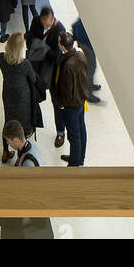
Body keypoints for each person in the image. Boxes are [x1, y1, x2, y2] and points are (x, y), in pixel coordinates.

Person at [27, 6, 67, 135]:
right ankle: (32, 124)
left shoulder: (60, 30)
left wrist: (42, 48)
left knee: (55, 101)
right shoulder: (36, 20)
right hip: (35, 65)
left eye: (47, 20)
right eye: (43, 20)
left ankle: (60, 132)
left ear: (52, 18)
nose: (44, 23)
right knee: (32, 95)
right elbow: (30, 36)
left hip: (52, 70)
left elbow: (57, 55)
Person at [54, 31, 90, 166]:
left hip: (71, 106)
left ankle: (74, 164)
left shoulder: (67, 65)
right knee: (81, 130)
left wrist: (62, 105)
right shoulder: (80, 55)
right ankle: (79, 157)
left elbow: (66, 90)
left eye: (59, 42)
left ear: (62, 46)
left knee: (74, 136)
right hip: (81, 100)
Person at [71, 16, 104, 105]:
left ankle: (90, 85)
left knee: (91, 66)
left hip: (85, 42)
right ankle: (88, 92)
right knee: (91, 66)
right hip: (86, 43)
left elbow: (74, 25)